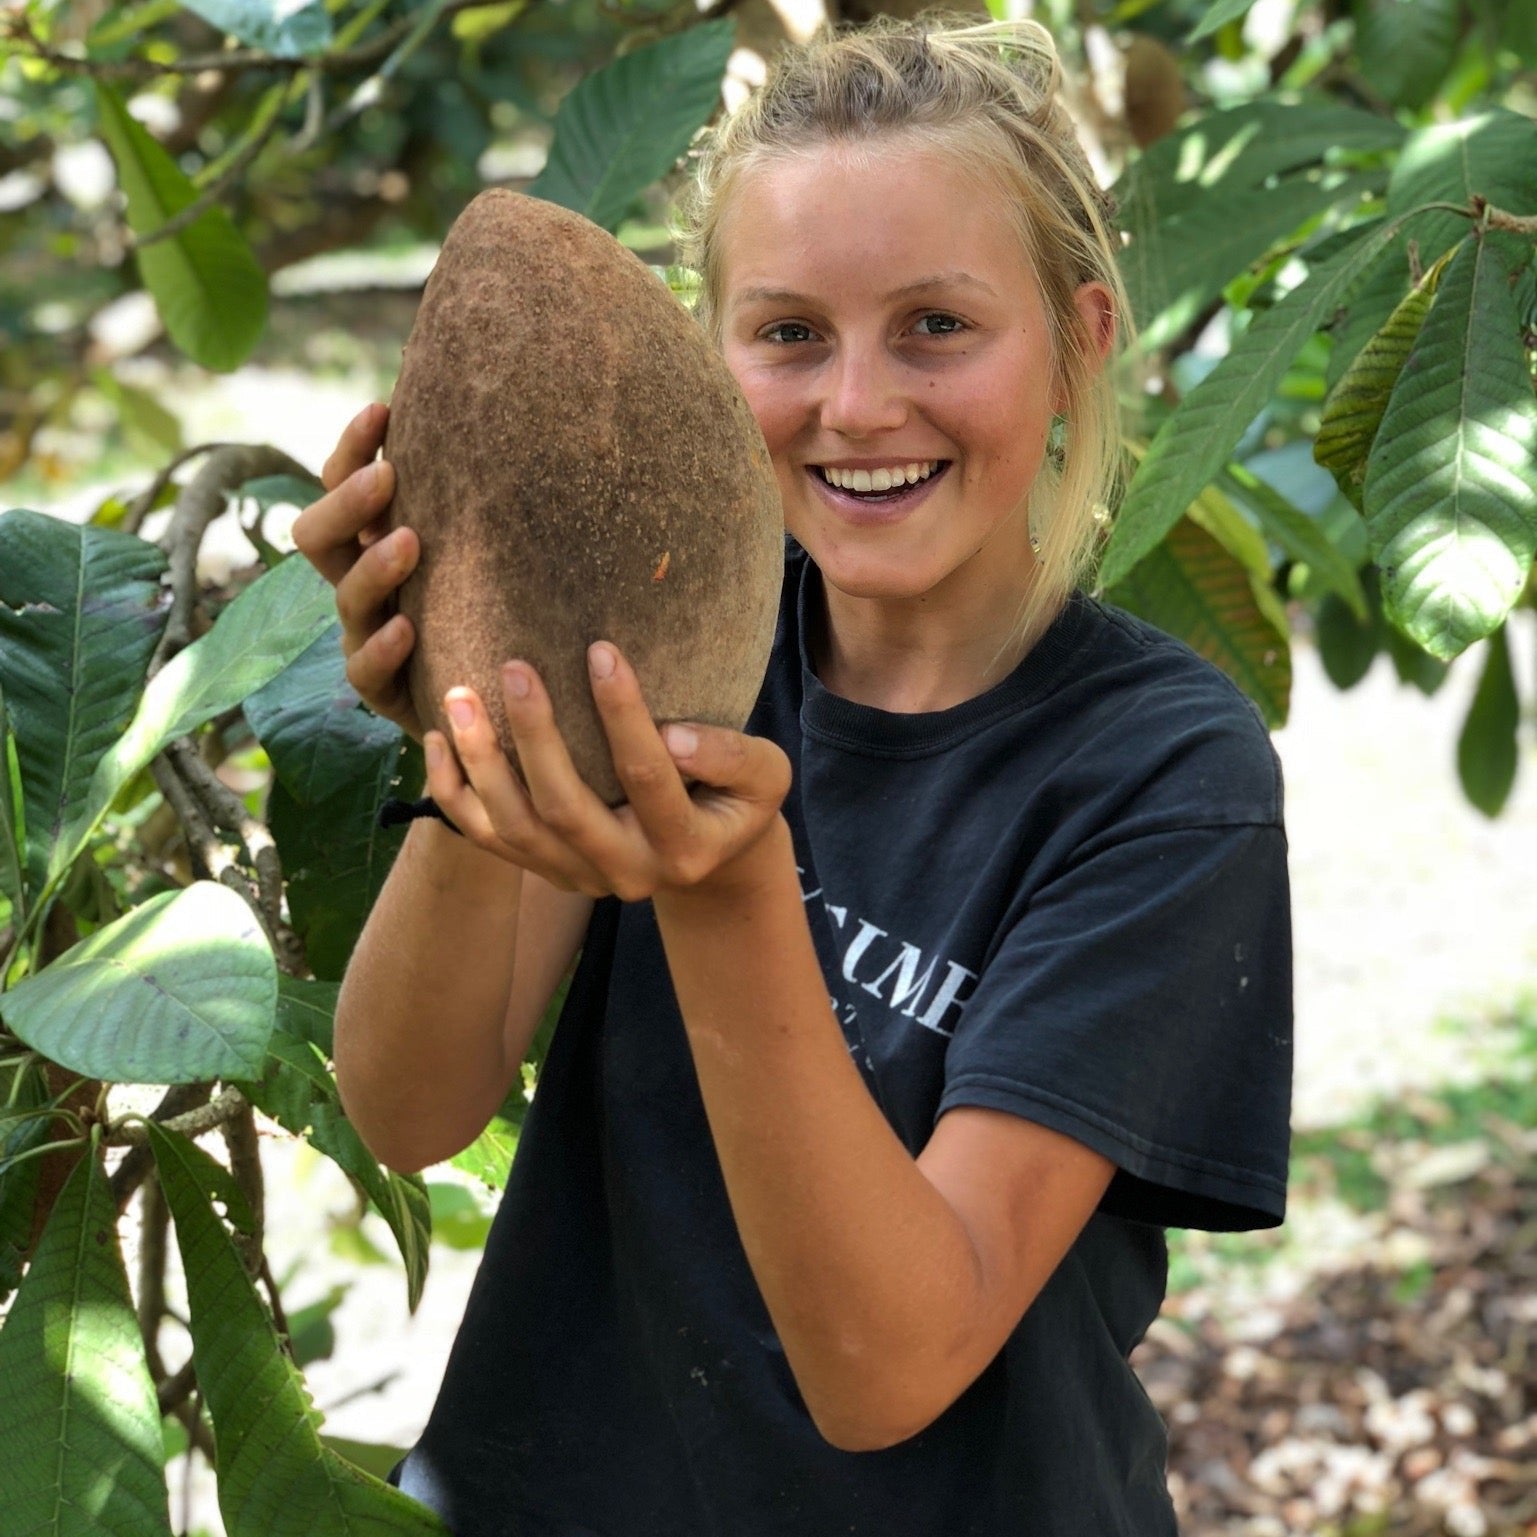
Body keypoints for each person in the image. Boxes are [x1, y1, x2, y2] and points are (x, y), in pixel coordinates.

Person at [293, 16, 1292, 1535]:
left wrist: (722, 887)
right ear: (710, 364)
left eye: (936, 326)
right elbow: (408, 1104)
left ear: (1080, 344)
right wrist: (476, 725)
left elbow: (887, 1365)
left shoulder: (1160, 773)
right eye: (787, 334)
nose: (855, 403)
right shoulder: (672, 642)